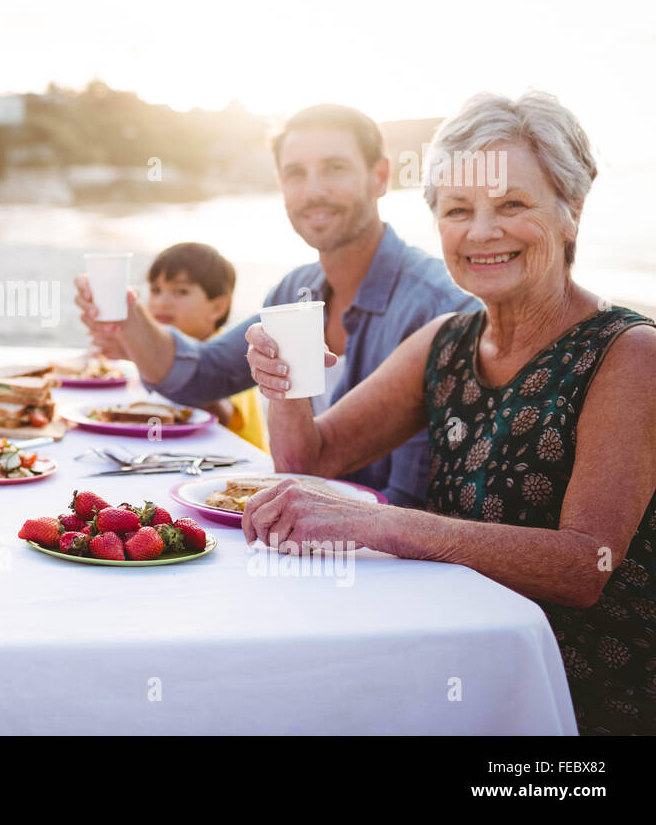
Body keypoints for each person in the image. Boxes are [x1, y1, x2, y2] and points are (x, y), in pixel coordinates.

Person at [239, 92, 656, 735]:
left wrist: (383, 527)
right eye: (458, 210)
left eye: (512, 205)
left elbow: (584, 566)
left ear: (571, 212)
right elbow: (306, 461)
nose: (481, 232)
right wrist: (284, 386)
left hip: (579, 707)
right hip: (454, 675)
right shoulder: (445, 340)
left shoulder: (631, 353)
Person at [76, 104, 479, 505]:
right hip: (303, 534)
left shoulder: (437, 308)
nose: (313, 191)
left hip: (385, 554)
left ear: (380, 176)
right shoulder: (295, 292)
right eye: (295, 173)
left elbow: (411, 499)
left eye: (335, 168)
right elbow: (201, 374)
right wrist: (129, 317)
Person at [141, 242, 267, 450]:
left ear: (218, 307)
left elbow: (222, 416)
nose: (161, 302)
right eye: (155, 290)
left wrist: (157, 366)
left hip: (239, 471)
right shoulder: (163, 354)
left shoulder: (228, 354)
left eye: (181, 292)